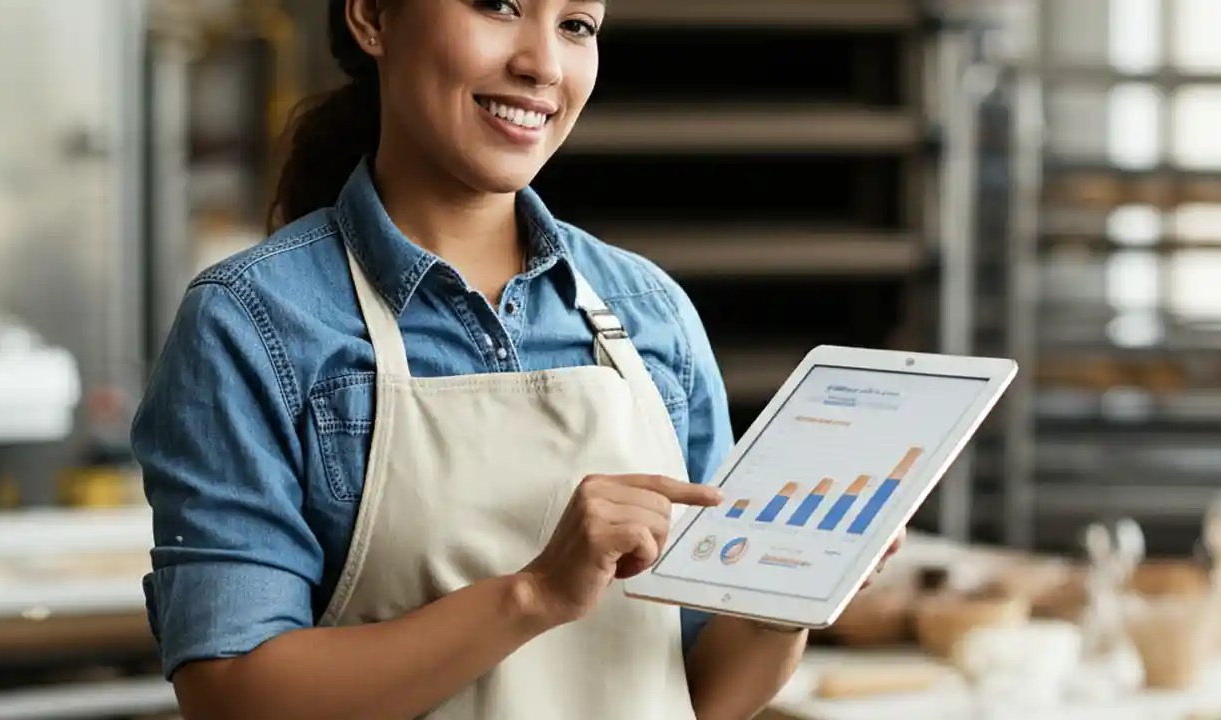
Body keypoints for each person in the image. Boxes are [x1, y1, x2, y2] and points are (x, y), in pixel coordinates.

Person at [132, 1, 904, 718]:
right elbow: (230, 694)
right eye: (499, 5)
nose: (543, 64)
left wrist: (790, 592)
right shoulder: (255, 321)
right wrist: (534, 595)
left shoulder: (649, 311)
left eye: (576, 25)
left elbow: (699, 693)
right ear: (371, 16)